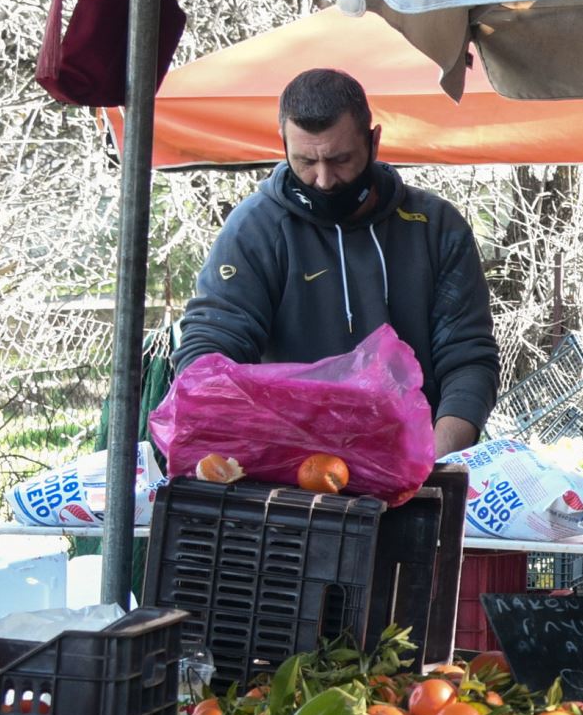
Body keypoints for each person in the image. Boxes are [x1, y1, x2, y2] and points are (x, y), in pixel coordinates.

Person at [172, 68, 499, 452]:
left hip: (415, 458)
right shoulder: (256, 228)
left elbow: (467, 359)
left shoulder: (436, 227)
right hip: (289, 465)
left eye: (341, 159)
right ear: (283, 145)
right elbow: (212, 341)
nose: (324, 180)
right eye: (305, 161)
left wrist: (432, 465)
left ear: (373, 142)